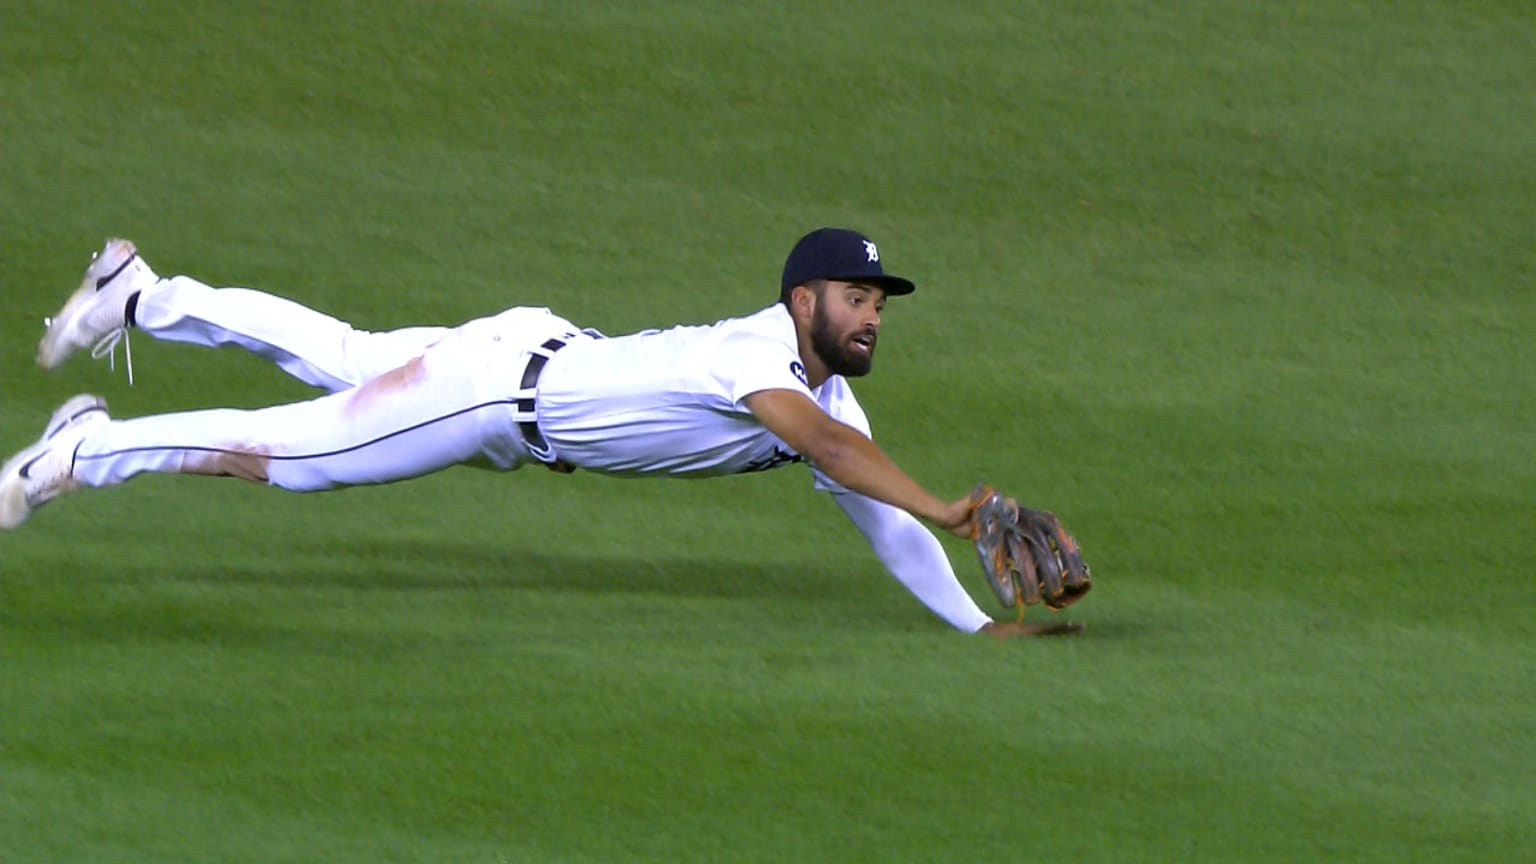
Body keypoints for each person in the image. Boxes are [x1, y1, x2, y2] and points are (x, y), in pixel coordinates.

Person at [2, 228, 1075, 638]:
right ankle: (80, 451)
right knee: (289, 458)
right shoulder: (763, 363)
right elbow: (851, 467)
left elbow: (876, 513)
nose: (872, 313)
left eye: (880, 300)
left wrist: (975, 627)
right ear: (804, 301)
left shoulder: (826, 399)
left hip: (524, 350)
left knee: (336, 350)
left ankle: (141, 294)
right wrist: (943, 500)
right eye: (855, 295)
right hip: (487, 399)